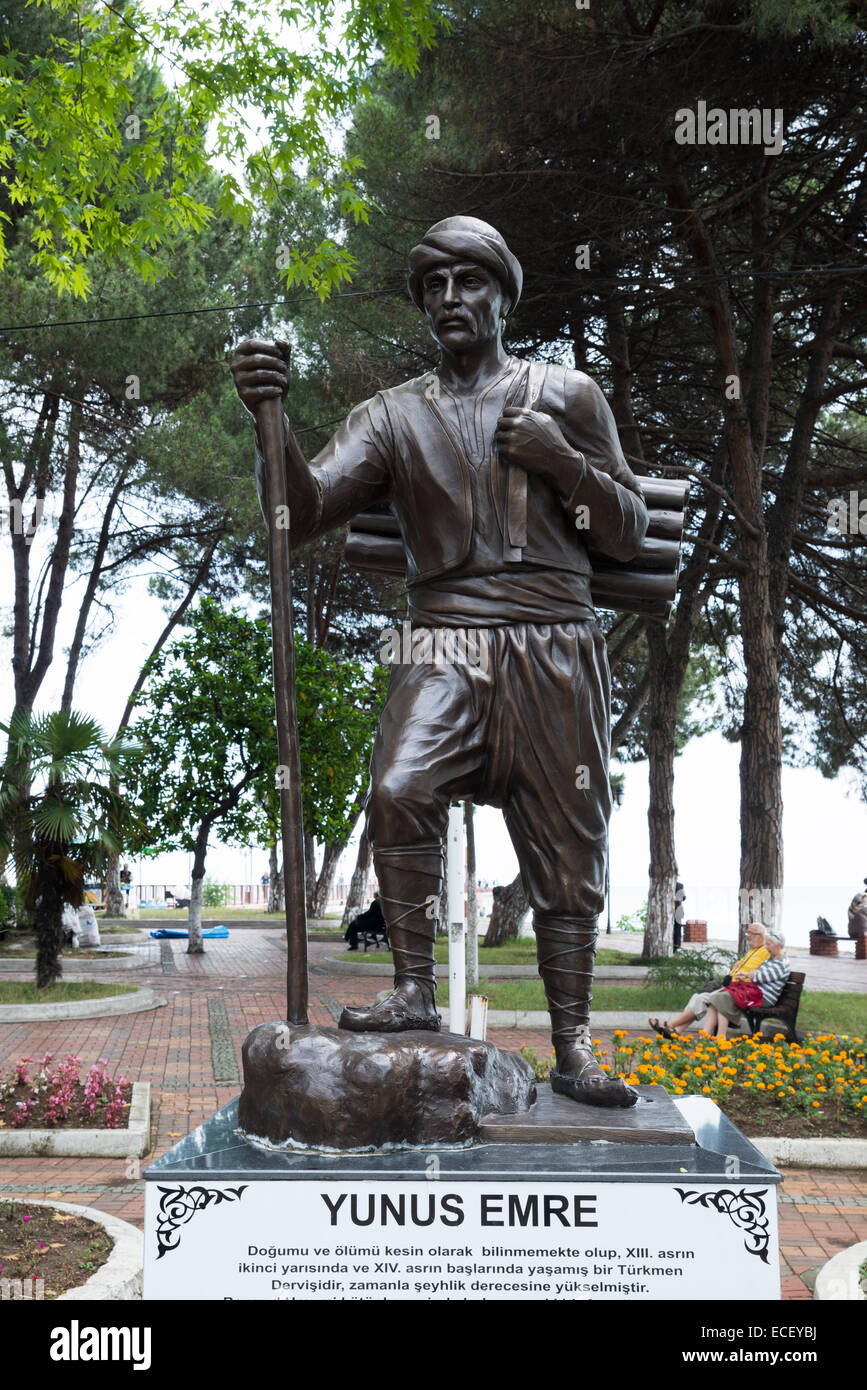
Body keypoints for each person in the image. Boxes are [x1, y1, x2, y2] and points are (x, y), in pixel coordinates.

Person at [232, 215, 649, 1107]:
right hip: (444, 638)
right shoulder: (391, 414)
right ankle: (414, 985)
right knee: (396, 786)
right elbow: (300, 514)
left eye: (468, 283)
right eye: (434, 288)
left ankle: (572, 1045)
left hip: (553, 641)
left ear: (503, 294)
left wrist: (563, 464)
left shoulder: (565, 395)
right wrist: (270, 425)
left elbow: (624, 529)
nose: (450, 301)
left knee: (568, 847)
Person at [649, 921, 769, 1039]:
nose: (747, 935)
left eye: (751, 933)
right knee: (698, 997)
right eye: (747, 932)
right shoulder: (753, 950)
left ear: (761, 936)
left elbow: (765, 971)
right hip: (729, 985)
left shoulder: (766, 951)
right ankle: (678, 1030)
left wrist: (747, 973)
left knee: (705, 999)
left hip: (739, 990)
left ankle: (670, 1025)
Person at [702, 930, 791, 1038]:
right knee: (716, 998)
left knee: (724, 997)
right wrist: (746, 974)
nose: (766, 947)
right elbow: (758, 975)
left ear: (779, 945)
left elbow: (761, 977)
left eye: (769, 944)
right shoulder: (771, 959)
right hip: (755, 992)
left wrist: (752, 975)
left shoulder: (782, 963)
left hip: (763, 997)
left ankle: (720, 1038)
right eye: (766, 944)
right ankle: (704, 1037)